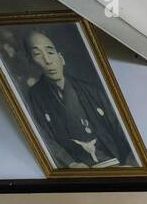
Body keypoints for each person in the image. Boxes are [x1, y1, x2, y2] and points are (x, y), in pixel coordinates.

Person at [21, 29, 133, 169]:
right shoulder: (34, 97)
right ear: (31, 62)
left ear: (61, 58)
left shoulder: (92, 91)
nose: (48, 61)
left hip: (113, 161)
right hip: (77, 168)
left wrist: (130, 163)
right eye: (37, 54)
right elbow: (42, 137)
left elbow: (121, 128)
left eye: (50, 52)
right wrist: (70, 163)